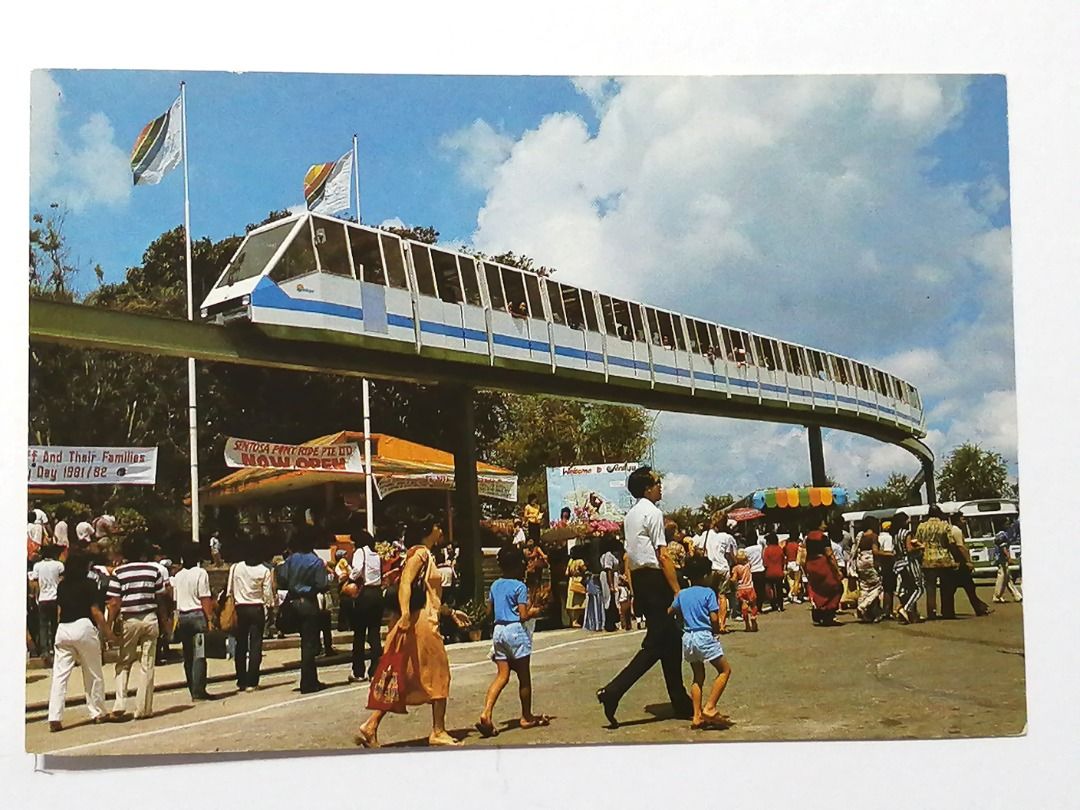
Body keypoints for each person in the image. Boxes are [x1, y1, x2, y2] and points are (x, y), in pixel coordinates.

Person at [353, 514, 470, 748]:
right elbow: (406, 583)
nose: (441, 530)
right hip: (423, 624)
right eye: (438, 526)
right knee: (439, 673)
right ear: (431, 529)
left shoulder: (419, 555)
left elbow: (428, 594)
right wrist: (406, 613)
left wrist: (450, 612)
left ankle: (371, 724)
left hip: (420, 619)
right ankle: (438, 730)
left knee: (403, 674)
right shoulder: (421, 554)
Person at [596, 466, 693, 728]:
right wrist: (677, 591)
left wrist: (636, 592)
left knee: (670, 643)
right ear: (647, 488)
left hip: (641, 581)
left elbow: (629, 557)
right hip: (656, 580)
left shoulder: (630, 516)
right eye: (657, 483)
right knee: (656, 645)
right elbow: (662, 555)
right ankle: (613, 691)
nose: (660, 486)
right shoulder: (653, 513)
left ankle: (681, 702)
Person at [475, 546, 551, 737]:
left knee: (502, 675)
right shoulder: (519, 586)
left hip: (498, 631)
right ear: (519, 566)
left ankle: (486, 712)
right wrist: (536, 611)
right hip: (515, 631)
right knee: (524, 677)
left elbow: (488, 611)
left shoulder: (494, 585)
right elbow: (523, 615)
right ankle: (526, 716)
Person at [46, 553, 118, 731]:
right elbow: (95, 611)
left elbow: (59, 610)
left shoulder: (62, 586)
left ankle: (54, 716)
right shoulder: (89, 584)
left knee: (60, 675)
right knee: (93, 672)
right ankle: (98, 712)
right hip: (83, 626)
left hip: (63, 628)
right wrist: (109, 634)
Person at [106, 534, 170, 720]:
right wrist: (165, 623)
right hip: (150, 619)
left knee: (124, 662)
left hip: (129, 620)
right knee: (147, 663)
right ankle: (143, 708)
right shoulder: (153, 570)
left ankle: (120, 702)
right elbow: (160, 599)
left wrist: (109, 626)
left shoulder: (119, 572)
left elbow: (114, 602)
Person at [669, 555, 732, 729]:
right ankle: (710, 707)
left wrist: (681, 619)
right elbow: (713, 617)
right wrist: (717, 628)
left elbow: (671, 610)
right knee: (724, 670)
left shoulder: (682, 594)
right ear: (705, 575)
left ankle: (696, 715)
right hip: (704, 635)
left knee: (698, 676)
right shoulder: (708, 593)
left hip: (688, 638)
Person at [276, 524, 332, 693]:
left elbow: (282, 579)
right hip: (308, 602)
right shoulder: (315, 562)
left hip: (293, 602)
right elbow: (322, 584)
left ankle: (311, 679)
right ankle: (308, 682)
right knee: (309, 644)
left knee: (305, 642)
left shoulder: (291, 560)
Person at [228, 537, 275, 692]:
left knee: (240, 644)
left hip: (240, 607)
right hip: (256, 608)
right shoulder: (264, 570)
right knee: (255, 645)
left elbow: (230, 589)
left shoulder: (236, 567)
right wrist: (270, 607)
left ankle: (240, 679)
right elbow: (268, 594)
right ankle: (252, 681)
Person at [172, 544, 215, 701]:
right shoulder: (201, 573)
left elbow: (175, 599)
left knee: (188, 655)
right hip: (197, 615)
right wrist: (209, 619)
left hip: (183, 616)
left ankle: (191, 687)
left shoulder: (178, 576)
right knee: (200, 654)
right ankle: (199, 690)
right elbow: (205, 597)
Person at [346, 527, 385, 683]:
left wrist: (349, 577)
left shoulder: (360, 553)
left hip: (365, 594)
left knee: (359, 634)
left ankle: (358, 671)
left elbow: (356, 570)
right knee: (374, 633)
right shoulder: (376, 555)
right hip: (377, 594)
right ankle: (376, 669)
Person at [915, 505, 958, 619]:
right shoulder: (945, 525)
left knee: (930, 588)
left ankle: (932, 612)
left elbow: (917, 541)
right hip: (944, 559)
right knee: (947, 588)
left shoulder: (921, 526)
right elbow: (951, 542)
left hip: (927, 559)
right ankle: (948, 611)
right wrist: (956, 558)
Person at [946, 514, 992, 616]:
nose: (965, 521)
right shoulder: (956, 531)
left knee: (954, 589)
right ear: (957, 521)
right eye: (963, 519)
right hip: (960, 563)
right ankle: (979, 608)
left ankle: (949, 611)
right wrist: (968, 561)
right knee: (969, 587)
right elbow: (961, 547)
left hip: (955, 563)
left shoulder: (951, 530)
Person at [29, 544, 65, 667]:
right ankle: (56, 648)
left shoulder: (37, 566)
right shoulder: (58, 565)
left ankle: (44, 651)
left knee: (43, 626)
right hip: (55, 598)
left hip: (43, 598)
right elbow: (61, 579)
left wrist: (35, 596)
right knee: (55, 624)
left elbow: (34, 583)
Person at [802, 529, 844, 626]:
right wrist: (837, 570)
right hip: (822, 565)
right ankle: (827, 611)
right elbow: (829, 554)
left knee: (818, 589)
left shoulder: (808, 538)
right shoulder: (823, 537)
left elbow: (804, 556)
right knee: (836, 587)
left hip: (811, 565)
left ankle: (819, 610)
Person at [703, 512, 736, 629]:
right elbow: (731, 555)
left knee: (711, 595)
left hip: (711, 568)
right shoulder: (727, 537)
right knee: (722, 596)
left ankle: (712, 622)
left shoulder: (707, 536)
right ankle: (722, 624)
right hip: (723, 568)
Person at [892, 512, 925, 624]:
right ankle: (907, 608)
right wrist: (920, 547)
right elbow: (909, 549)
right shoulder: (906, 533)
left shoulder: (895, 534)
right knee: (919, 588)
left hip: (900, 563)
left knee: (908, 588)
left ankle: (910, 613)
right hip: (909, 562)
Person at [853, 520, 885, 623]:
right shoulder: (873, 536)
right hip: (869, 563)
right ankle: (862, 606)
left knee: (865, 587)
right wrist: (887, 554)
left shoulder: (860, 536)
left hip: (860, 563)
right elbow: (875, 551)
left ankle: (867, 613)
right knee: (878, 587)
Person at [993, 520, 1023, 603]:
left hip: (1000, 559)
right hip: (1002, 560)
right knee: (1002, 578)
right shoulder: (1003, 535)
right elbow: (1004, 548)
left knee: (1007, 579)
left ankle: (1016, 595)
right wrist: (1009, 558)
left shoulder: (999, 534)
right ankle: (997, 596)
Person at [729, 550, 759, 631]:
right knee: (753, 604)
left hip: (741, 588)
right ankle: (753, 616)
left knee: (744, 605)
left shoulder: (736, 568)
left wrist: (730, 579)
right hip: (750, 587)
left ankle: (747, 625)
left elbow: (734, 579)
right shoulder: (748, 566)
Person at [875, 520, 897, 618]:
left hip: (879, 565)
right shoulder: (888, 538)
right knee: (889, 589)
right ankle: (887, 610)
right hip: (887, 565)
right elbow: (887, 552)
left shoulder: (878, 537)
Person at [600, 537, 621, 632]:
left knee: (613, 599)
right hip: (608, 578)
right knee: (608, 599)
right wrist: (611, 585)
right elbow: (608, 570)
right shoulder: (608, 555)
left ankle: (612, 622)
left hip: (613, 576)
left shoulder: (614, 555)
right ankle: (608, 624)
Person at [762, 532, 786, 613]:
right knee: (779, 589)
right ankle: (781, 605)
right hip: (779, 572)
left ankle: (773, 604)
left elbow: (765, 562)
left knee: (770, 589)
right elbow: (783, 561)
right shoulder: (779, 549)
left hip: (769, 572)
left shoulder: (767, 550)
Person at [565, 553, 588, 628]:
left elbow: (566, 573)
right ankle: (576, 621)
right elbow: (585, 570)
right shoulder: (580, 561)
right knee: (579, 603)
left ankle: (572, 620)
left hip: (571, 581)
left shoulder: (570, 561)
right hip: (578, 581)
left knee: (571, 602)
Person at [783, 530, 804, 603]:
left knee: (791, 581)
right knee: (797, 581)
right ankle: (793, 595)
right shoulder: (798, 545)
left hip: (789, 563)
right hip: (796, 563)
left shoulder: (787, 545)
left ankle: (791, 593)